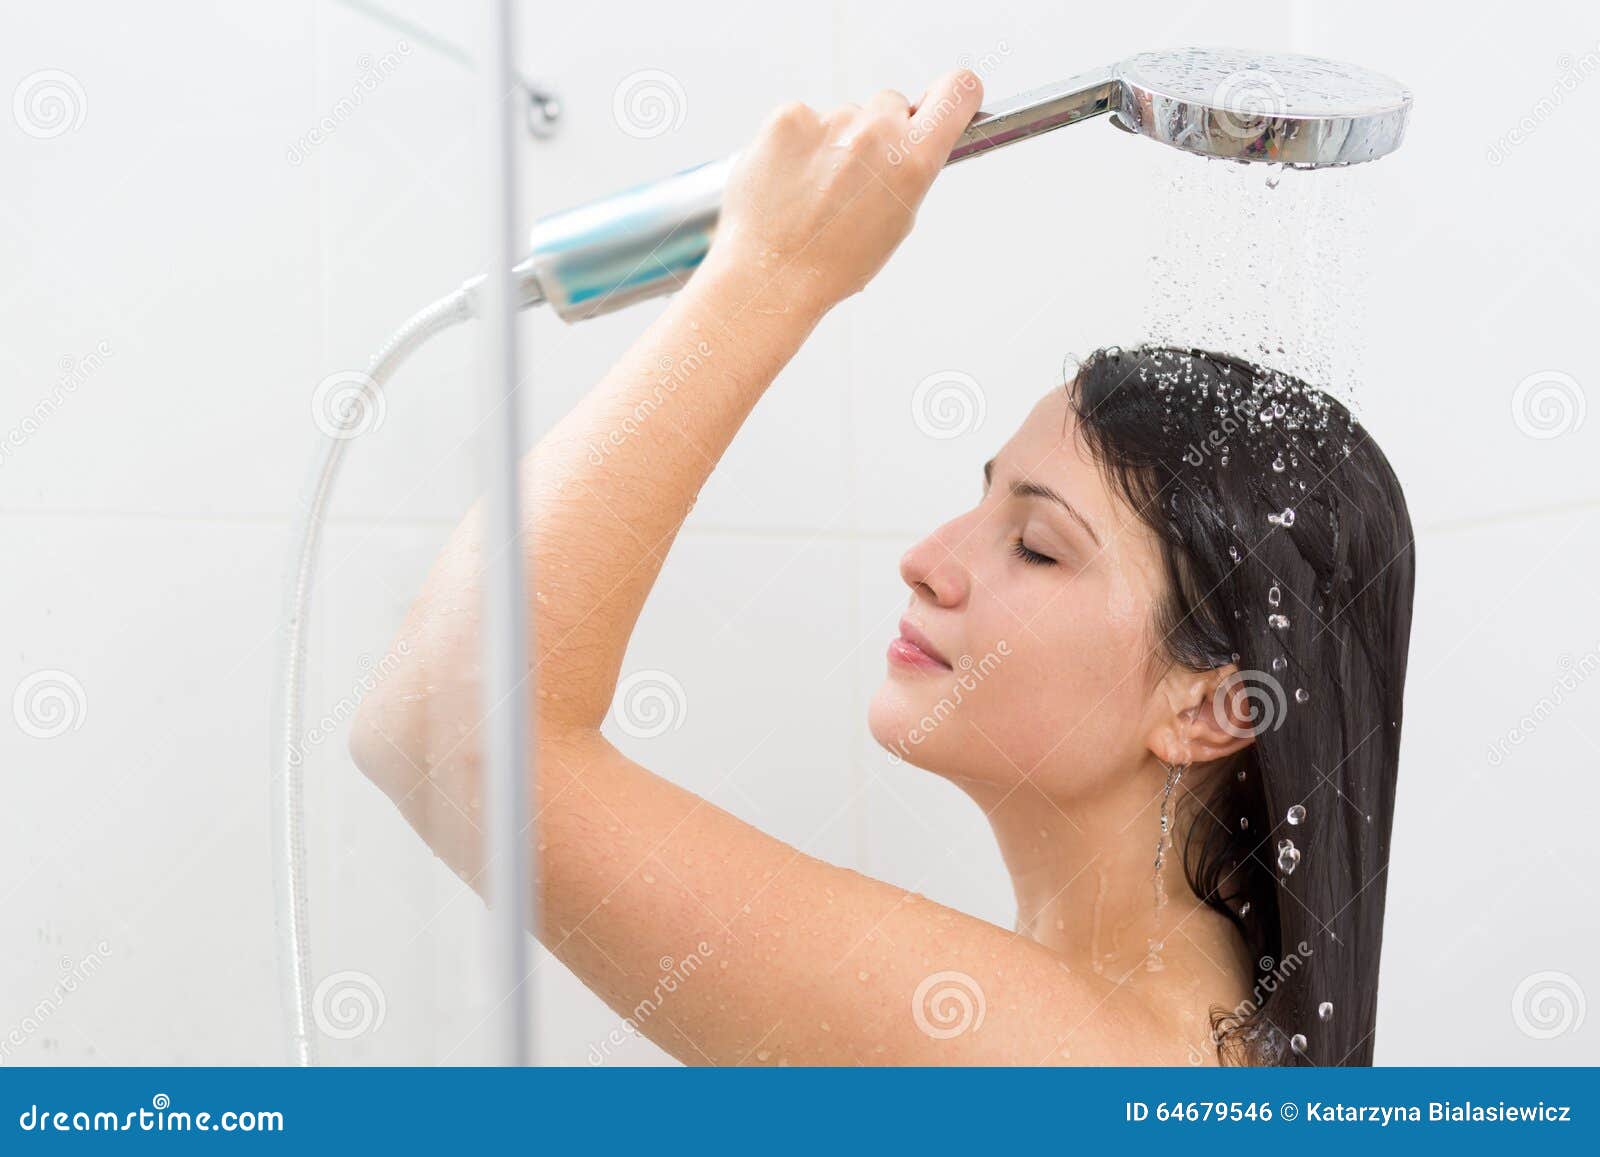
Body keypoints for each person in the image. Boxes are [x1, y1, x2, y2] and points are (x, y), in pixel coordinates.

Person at [350, 68, 1415, 1065]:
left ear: (1213, 707)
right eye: (981, 499)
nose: (926, 561)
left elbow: (451, 732)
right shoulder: (1153, 1031)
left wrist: (773, 272)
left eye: (1036, 546)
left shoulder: (1058, 1059)